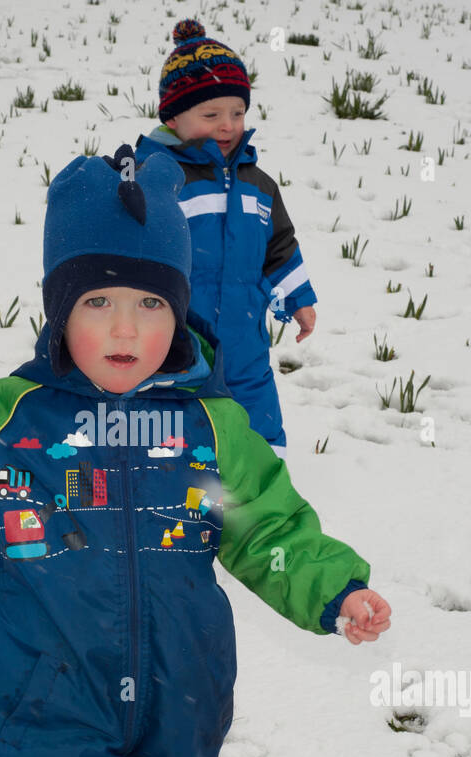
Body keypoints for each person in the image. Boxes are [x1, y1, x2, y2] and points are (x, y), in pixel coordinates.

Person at [0, 145, 390, 757]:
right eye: (98, 304)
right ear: (60, 312)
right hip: (41, 690)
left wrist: (334, 587)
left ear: (178, 314)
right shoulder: (18, 415)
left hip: (182, 690)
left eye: (151, 304)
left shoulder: (208, 427)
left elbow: (264, 524)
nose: (126, 330)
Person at [135, 18, 318, 459]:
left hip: (245, 337)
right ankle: (171, 481)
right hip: (178, 338)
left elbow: (279, 247)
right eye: (211, 114)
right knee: (179, 414)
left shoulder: (259, 186)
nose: (227, 125)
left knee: (256, 415)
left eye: (237, 113)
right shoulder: (158, 180)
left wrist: (300, 300)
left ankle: (259, 480)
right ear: (174, 118)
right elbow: (131, 253)